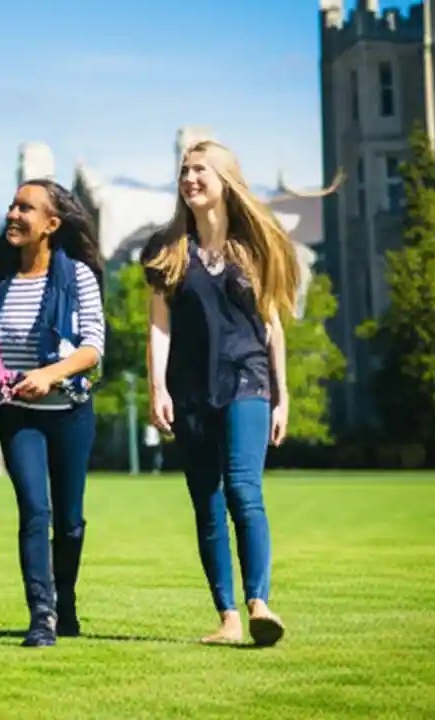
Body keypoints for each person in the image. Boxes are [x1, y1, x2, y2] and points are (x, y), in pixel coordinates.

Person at [142, 140, 294, 647]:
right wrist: (157, 386)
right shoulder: (166, 251)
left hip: (247, 382)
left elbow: (272, 325)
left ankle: (259, 603)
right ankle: (228, 617)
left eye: (199, 170)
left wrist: (282, 394)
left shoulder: (254, 249)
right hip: (189, 391)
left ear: (225, 179)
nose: (189, 178)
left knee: (242, 491)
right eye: (184, 171)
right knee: (206, 504)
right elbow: (159, 327)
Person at [0, 179, 105, 647]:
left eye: (26, 208)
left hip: (69, 411)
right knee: (34, 511)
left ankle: (65, 600)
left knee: (70, 520)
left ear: (51, 224)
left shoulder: (77, 276)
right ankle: (41, 615)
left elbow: (93, 349)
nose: (13, 214)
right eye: (11, 205)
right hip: (17, 413)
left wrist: (50, 374)